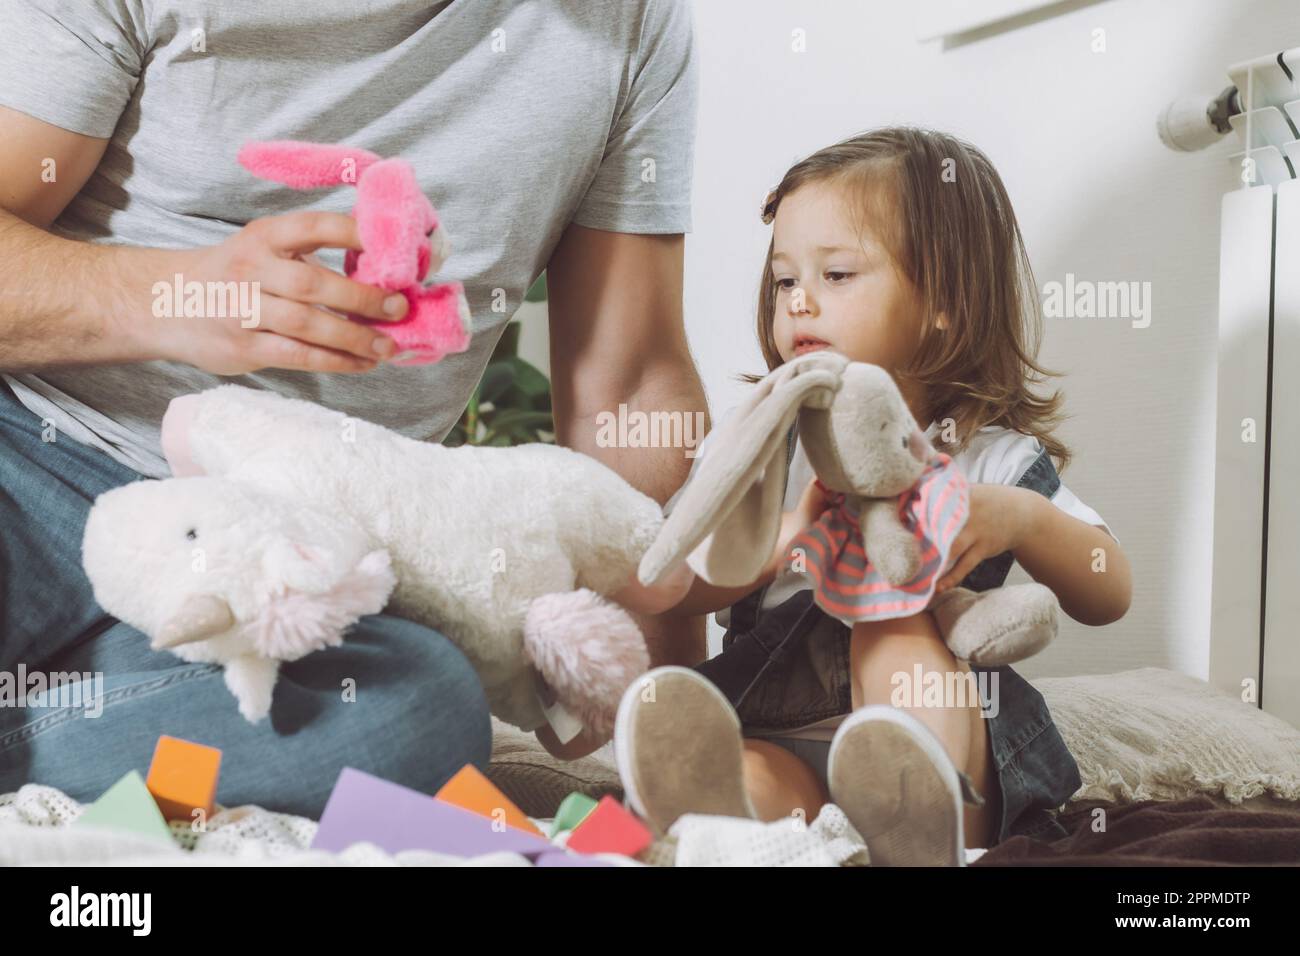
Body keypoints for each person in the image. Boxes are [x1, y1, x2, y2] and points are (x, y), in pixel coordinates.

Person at [0, 0, 705, 819]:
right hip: (31, 459)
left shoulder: (633, 23)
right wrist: (177, 295)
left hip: (288, 567)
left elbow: (629, 380)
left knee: (415, 714)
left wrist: (681, 691)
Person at [613, 127, 1133, 863]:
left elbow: (1109, 592)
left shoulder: (990, 454)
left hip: (938, 742)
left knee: (896, 624)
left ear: (944, 300)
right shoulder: (761, 441)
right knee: (742, 778)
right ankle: (747, 831)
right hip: (778, 725)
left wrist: (1024, 518)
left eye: (837, 276)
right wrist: (780, 540)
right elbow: (670, 586)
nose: (799, 303)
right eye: (786, 280)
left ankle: (924, 818)